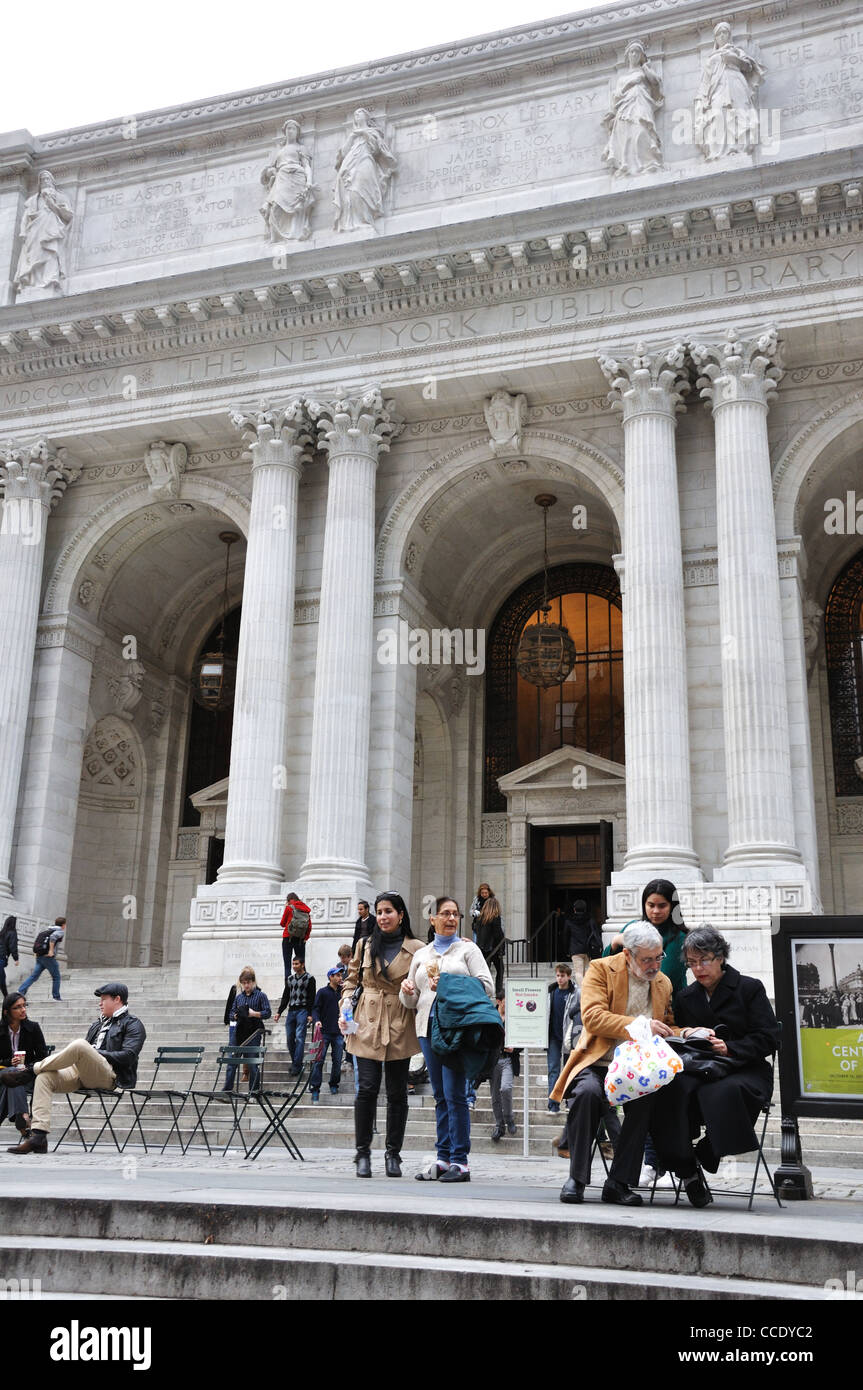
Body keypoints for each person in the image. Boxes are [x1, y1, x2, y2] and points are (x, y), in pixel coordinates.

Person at [551, 924, 700, 1208]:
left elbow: (667, 1026)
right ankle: (577, 1179)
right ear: (629, 955)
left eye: (658, 957)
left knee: (648, 1100)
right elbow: (593, 1017)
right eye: (647, 959)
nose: (655, 965)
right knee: (586, 1094)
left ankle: (619, 1183)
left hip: (641, 1068)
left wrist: (687, 1032)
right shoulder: (601, 969)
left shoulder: (663, 982)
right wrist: (638, 1024)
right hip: (599, 1060)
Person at [650, 925, 781, 1185]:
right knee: (668, 1089)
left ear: (720, 958)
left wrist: (730, 1047)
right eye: (692, 963)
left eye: (705, 961)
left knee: (723, 1092)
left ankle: (705, 1154)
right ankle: (684, 1165)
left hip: (746, 1068)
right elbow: (681, 1039)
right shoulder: (686, 996)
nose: (698, 969)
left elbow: (769, 1037)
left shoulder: (749, 988)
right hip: (702, 1068)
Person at [400, 896, 494, 1183]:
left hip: (456, 1030)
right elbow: (411, 1001)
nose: (451, 919)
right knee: (440, 1096)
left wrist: (449, 983)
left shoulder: (468, 948)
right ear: (433, 918)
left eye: (455, 914)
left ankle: (460, 1162)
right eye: (445, 914)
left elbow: (487, 986)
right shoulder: (421, 954)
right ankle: (442, 1158)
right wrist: (406, 990)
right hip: (427, 1028)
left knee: (456, 1095)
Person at [2, 982, 145, 1155]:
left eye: (103, 999)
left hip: (110, 1075)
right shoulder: (97, 1024)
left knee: (79, 1045)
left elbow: (128, 1056)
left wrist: (96, 1052)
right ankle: (38, 1137)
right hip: (82, 1073)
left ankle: (30, 1071)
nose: (100, 1003)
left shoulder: (133, 1024)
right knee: (44, 1077)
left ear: (117, 999)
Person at [339, 891, 422, 1178]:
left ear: (401, 914)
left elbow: (426, 984)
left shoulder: (416, 948)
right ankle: (362, 1153)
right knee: (367, 1089)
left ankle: (393, 1154)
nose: (384, 916)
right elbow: (351, 982)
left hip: (399, 1019)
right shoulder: (364, 945)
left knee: (398, 1092)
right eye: (380, 911)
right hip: (366, 1019)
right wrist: (345, 1008)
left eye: (389, 911)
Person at [0, 992, 47, 1141]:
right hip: (2, 1073)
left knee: (13, 1079)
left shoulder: (33, 1028)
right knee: (12, 1073)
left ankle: (22, 1120)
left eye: (24, 1005)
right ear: (7, 1011)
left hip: (27, 1075)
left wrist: (27, 1066)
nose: (23, 1010)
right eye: (17, 1007)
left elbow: (43, 1057)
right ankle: (24, 1118)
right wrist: (9, 1062)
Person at [222, 968, 270, 1092]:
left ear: (253, 982)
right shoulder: (239, 998)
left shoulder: (261, 995)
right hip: (239, 1031)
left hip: (254, 1031)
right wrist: (235, 1015)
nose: (246, 985)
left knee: (253, 1063)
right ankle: (227, 1090)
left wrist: (254, 1014)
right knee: (232, 1061)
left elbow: (268, 1012)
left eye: (248, 982)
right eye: (244, 983)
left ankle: (253, 1092)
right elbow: (231, 1013)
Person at [275, 956, 316, 1077]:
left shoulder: (310, 978)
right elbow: (286, 996)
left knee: (300, 1037)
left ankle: (297, 1065)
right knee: (289, 1038)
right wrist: (279, 1012)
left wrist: (310, 1014)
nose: (294, 966)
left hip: (302, 1010)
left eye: (296, 964)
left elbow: (311, 997)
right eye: (293, 964)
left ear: (302, 964)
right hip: (291, 1011)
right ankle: (296, 1062)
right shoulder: (290, 979)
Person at [309, 968, 344, 1102]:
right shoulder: (322, 992)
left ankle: (334, 1084)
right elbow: (315, 1008)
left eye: (341, 975)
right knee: (318, 1061)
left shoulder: (343, 993)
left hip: (339, 1033)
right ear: (330, 977)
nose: (340, 977)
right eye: (337, 975)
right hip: (324, 1033)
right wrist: (317, 1020)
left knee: (337, 1061)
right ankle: (315, 1088)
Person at [547, 963, 577, 1114]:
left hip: (569, 1037)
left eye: (562, 976)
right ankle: (553, 1104)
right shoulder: (551, 991)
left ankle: (568, 1101)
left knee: (568, 1070)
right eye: (558, 975)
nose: (559, 978)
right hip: (553, 1036)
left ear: (569, 976)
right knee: (553, 1070)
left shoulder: (575, 993)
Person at [489, 991, 520, 1141]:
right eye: (506, 1002)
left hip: (508, 1059)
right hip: (494, 1060)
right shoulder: (490, 1016)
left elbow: (523, 1037)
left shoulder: (514, 1017)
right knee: (495, 1095)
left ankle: (509, 1118)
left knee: (506, 1088)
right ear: (499, 1001)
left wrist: (515, 1048)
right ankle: (499, 1125)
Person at [19, 917, 66, 1002]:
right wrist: (51, 951)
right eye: (65, 924)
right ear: (63, 925)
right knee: (56, 977)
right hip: (48, 957)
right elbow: (53, 938)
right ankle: (56, 997)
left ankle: (20, 991)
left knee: (34, 976)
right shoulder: (59, 931)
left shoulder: (47, 930)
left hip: (39, 956)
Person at [563, 900, 601, 986]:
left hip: (575, 950)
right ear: (585, 909)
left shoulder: (569, 921)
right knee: (587, 972)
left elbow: (566, 937)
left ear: (574, 909)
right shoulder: (590, 920)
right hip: (588, 949)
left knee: (578, 973)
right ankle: (587, 990)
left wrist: (566, 951)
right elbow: (595, 933)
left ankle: (582, 991)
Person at [476, 894, 505, 994]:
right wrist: (502, 946)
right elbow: (498, 934)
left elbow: (477, 931)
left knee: (485, 972)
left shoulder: (480, 918)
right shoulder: (495, 918)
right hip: (494, 949)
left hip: (483, 949)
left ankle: (484, 991)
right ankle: (498, 991)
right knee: (500, 970)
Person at [280, 893, 312, 979]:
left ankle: (288, 990)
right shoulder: (305, 909)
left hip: (288, 938)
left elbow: (282, 924)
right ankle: (305, 986)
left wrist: (286, 908)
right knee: (302, 965)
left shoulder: (289, 908)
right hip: (300, 939)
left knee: (287, 966)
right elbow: (309, 926)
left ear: (288, 900)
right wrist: (305, 938)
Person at [0, 915, 19, 998]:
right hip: (1, 958)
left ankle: (7, 998)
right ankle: (7, 999)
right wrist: (16, 959)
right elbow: (12, 946)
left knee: (2, 978)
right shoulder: (12, 933)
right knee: (1, 979)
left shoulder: (2, 932)